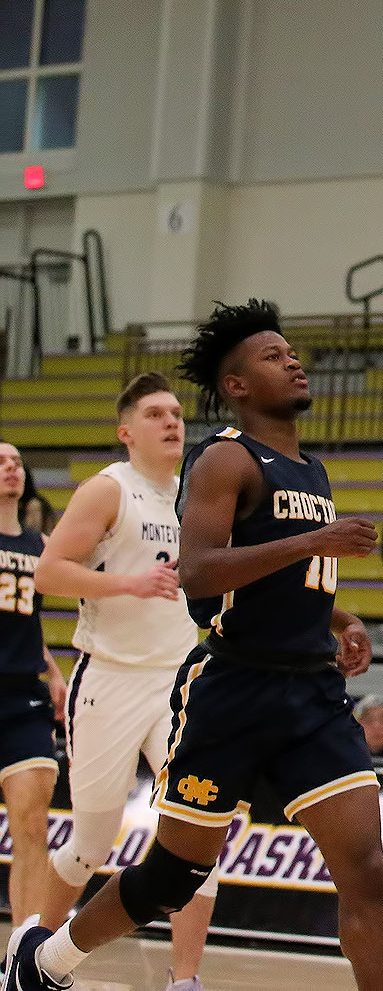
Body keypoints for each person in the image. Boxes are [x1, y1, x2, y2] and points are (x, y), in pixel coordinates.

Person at [5, 301, 383, 991]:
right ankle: (47, 962)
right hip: (232, 689)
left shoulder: (312, 469)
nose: (294, 360)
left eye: (292, 351)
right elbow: (199, 573)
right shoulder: (224, 459)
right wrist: (315, 540)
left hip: (312, 693)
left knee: (366, 869)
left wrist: (345, 622)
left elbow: (292, 579)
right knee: (171, 875)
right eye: (274, 355)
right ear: (238, 384)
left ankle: (181, 977)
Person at [29, 373, 215, 991]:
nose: (172, 422)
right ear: (126, 431)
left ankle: (183, 980)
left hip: (178, 684)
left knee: (197, 838)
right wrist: (128, 584)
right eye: (157, 413)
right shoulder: (110, 489)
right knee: (88, 846)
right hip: (109, 679)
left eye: (178, 413)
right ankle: (30, 956)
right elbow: (49, 573)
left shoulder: (196, 497)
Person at [0, 443, 67, 941]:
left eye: (16, 462)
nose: (11, 468)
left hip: (23, 695)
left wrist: (54, 671)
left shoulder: (40, 547)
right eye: (0, 462)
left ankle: (23, 953)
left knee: (31, 827)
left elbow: (29, 620)